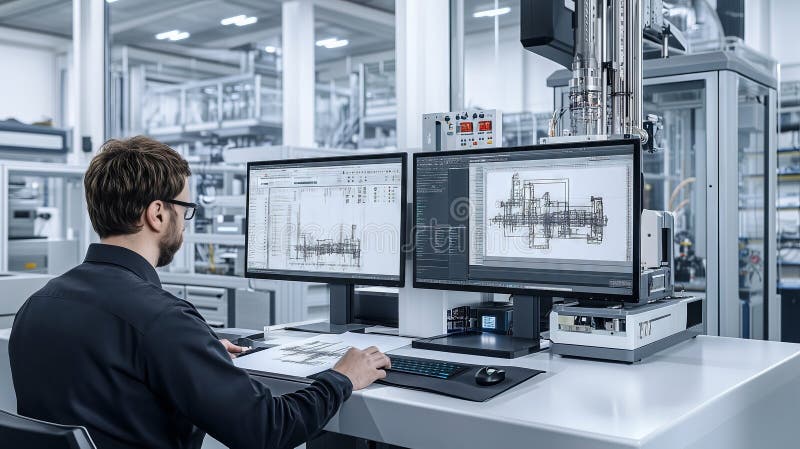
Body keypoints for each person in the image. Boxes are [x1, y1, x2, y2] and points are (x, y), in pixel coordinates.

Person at [9, 136, 391, 449]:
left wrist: (194, 354)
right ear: (157, 214)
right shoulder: (162, 320)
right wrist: (342, 377)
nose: (185, 222)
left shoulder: (37, 305)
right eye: (185, 208)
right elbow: (267, 431)